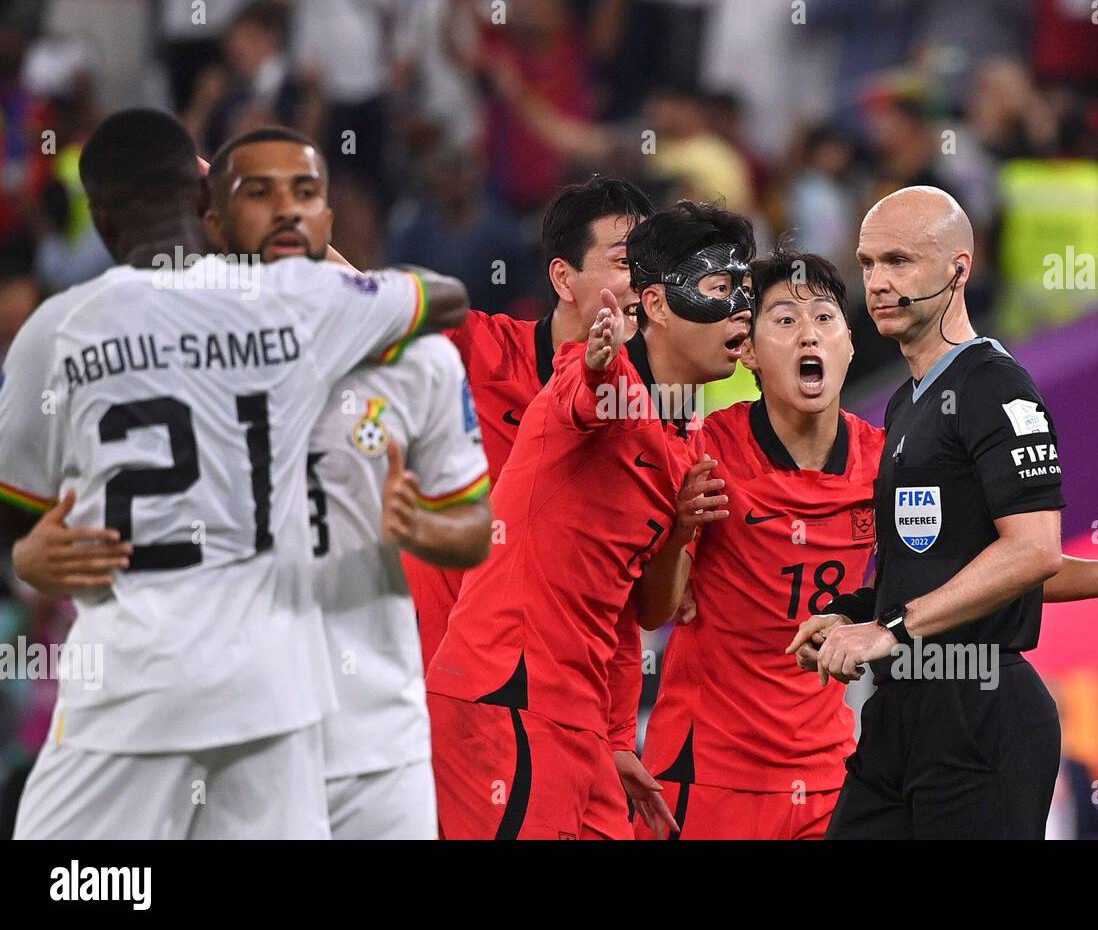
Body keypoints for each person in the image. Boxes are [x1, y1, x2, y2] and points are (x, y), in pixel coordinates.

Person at [0, 108, 465, 839]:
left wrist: (32, 557)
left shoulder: (56, 332)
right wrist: (340, 276)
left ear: (100, 218)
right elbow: (444, 298)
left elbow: (19, 517)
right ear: (204, 196)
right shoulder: (293, 304)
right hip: (269, 692)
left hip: (131, 683)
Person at [791, 186, 1098, 839]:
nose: (877, 282)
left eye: (899, 261)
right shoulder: (906, 403)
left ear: (959, 267)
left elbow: (1031, 550)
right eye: (867, 264)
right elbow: (974, 563)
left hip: (980, 713)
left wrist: (890, 629)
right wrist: (857, 614)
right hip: (902, 710)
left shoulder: (994, 386)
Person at [425, 201, 753, 839]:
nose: (740, 305)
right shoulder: (599, 376)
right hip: (509, 698)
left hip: (585, 720)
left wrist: (617, 736)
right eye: (720, 288)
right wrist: (601, 357)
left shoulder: (689, 440)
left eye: (744, 290)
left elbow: (645, 611)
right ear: (657, 306)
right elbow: (590, 391)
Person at [402, 175, 671, 837]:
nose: (640, 282)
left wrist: (615, 737)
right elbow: (352, 290)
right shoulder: (475, 349)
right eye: (622, 262)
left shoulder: (637, 419)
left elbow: (617, 601)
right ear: (562, 276)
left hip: (541, 714)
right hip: (431, 693)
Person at [636, 248, 885, 839]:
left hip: (826, 773)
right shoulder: (705, 454)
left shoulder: (886, 463)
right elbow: (655, 609)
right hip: (706, 772)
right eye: (785, 320)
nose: (809, 335)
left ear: (849, 343)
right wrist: (680, 534)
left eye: (825, 318)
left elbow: (982, 569)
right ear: (746, 350)